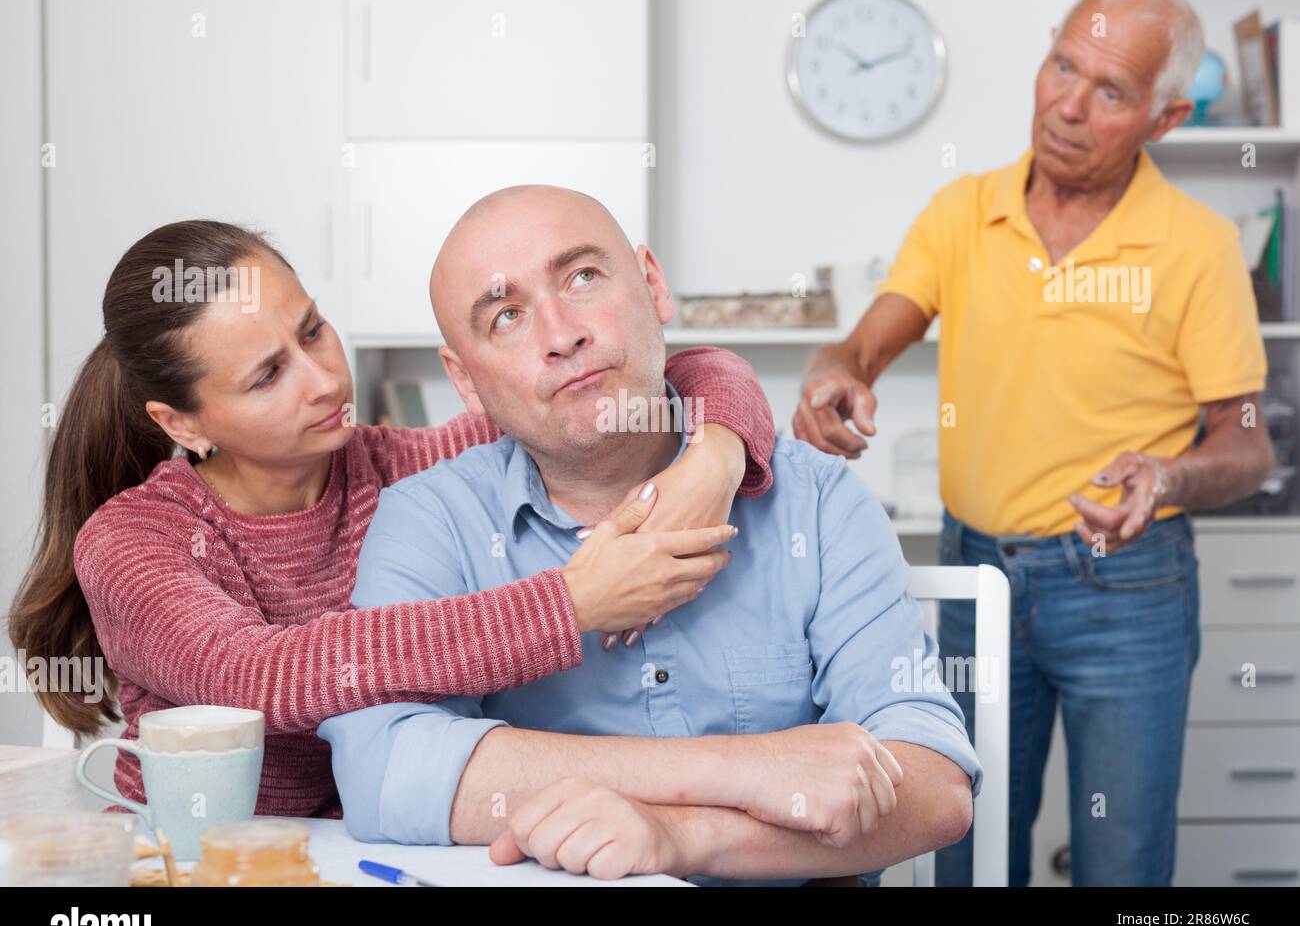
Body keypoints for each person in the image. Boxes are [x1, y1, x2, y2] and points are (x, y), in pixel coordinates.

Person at [319, 184, 981, 886]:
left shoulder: (818, 502)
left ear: (654, 285)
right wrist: (748, 769)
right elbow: (383, 767)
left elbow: (935, 786)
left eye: (582, 277)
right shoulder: (429, 520)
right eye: (506, 315)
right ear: (466, 381)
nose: (561, 334)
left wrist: (676, 834)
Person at [10, 219, 778, 819]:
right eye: (268, 375)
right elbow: (258, 676)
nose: (322, 380)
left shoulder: (409, 469)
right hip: (188, 854)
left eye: (311, 329)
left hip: (364, 843)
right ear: (182, 424)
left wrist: (715, 458)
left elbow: (668, 370)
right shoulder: (132, 539)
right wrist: (571, 603)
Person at [793, 0, 1272, 886]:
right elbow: (861, 345)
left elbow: (1246, 445)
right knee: (964, 848)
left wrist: (1166, 479)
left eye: (1111, 91)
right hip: (978, 579)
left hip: (1128, 590)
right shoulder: (963, 212)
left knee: (1122, 862)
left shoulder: (1197, 244)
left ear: (1164, 119)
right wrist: (832, 377)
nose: (1066, 105)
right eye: (1063, 66)